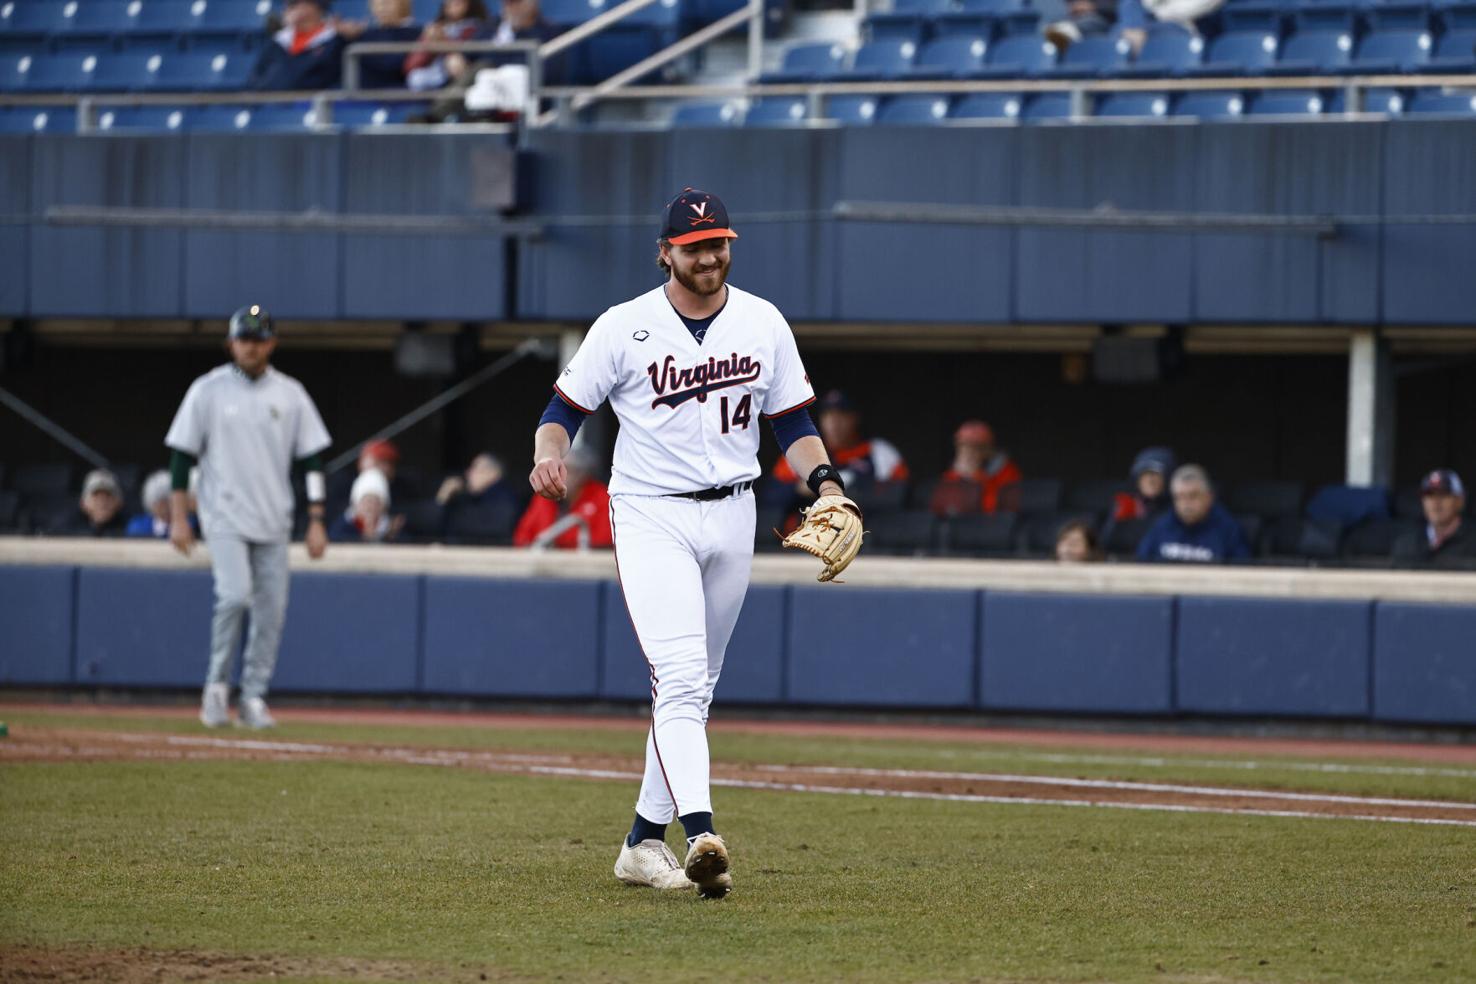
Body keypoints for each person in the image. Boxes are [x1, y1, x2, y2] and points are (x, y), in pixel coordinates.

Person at [529, 187, 853, 900]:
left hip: (735, 512)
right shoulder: (625, 325)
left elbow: (794, 425)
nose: (710, 256)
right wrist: (547, 452)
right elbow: (562, 409)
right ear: (666, 252)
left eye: (720, 244)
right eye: (696, 246)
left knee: (696, 688)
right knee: (678, 677)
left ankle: (642, 844)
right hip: (650, 512)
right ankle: (702, 833)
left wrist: (827, 486)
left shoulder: (763, 322)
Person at [164, 305, 332, 730]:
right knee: (235, 595)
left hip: (274, 518)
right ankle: (216, 688)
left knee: (271, 611)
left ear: (271, 343)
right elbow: (181, 455)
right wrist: (179, 517)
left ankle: (253, 696)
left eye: (258, 339)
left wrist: (316, 518)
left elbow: (311, 460)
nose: (251, 347)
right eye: (244, 339)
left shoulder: (290, 393)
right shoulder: (208, 390)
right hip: (224, 515)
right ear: (231, 343)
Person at [1136, 464, 1251, 563]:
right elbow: (1140, 563)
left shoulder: (1228, 529)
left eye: (1193, 496)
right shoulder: (1162, 526)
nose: (1186, 504)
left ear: (1208, 497)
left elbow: (1242, 572)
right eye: (1180, 497)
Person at [513, 448, 611, 548]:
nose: (558, 475)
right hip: (543, 560)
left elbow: (603, 542)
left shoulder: (602, 498)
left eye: (566, 470)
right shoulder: (544, 494)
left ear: (582, 474)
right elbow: (522, 536)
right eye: (554, 470)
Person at [247, 0, 347, 91]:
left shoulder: (334, 40)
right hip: (271, 105)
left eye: (301, 4)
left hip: (312, 105)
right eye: (292, 4)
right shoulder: (278, 41)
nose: (295, 9)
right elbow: (256, 79)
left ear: (317, 7)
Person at [930, 419, 1022, 516]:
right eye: (962, 445)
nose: (967, 452)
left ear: (987, 448)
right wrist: (959, 477)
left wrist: (975, 478)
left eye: (974, 446)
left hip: (991, 527)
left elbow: (993, 511)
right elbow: (940, 509)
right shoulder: (954, 473)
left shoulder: (1006, 470)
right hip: (959, 526)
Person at [1392, 469, 1476, 566]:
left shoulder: (1473, 542)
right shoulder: (1406, 544)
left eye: (1444, 495)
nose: (1436, 502)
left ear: (1460, 501)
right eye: (1430, 495)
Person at [404, 0, 492, 91]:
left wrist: (442, 41)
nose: (452, 7)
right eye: (448, 3)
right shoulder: (437, 26)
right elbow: (410, 66)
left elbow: (466, 55)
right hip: (435, 69)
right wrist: (427, 40)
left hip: (460, 71)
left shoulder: (477, 27)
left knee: (454, 62)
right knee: (415, 78)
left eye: (457, 3)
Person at [338, 0, 421, 88]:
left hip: (398, 94)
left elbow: (391, 65)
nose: (382, 8)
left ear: (403, 4)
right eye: (377, 4)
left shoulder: (415, 33)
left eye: (387, 3)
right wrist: (342, 37)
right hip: (362, 94)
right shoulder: (363, 34)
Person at [329, 468, 403, 542]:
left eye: (376, 503)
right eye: (366, 502)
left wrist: (390, 535)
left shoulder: (393, 528)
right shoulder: (341, 528)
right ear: (356, 504)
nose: (370, 507)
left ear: (384, 507)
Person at [58, 469, 128, 537]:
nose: (102, 502)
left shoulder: (130, 530)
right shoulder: (66, 531)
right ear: (83, 503)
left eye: (108, 496)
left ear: (119, 502)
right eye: (96, 496)